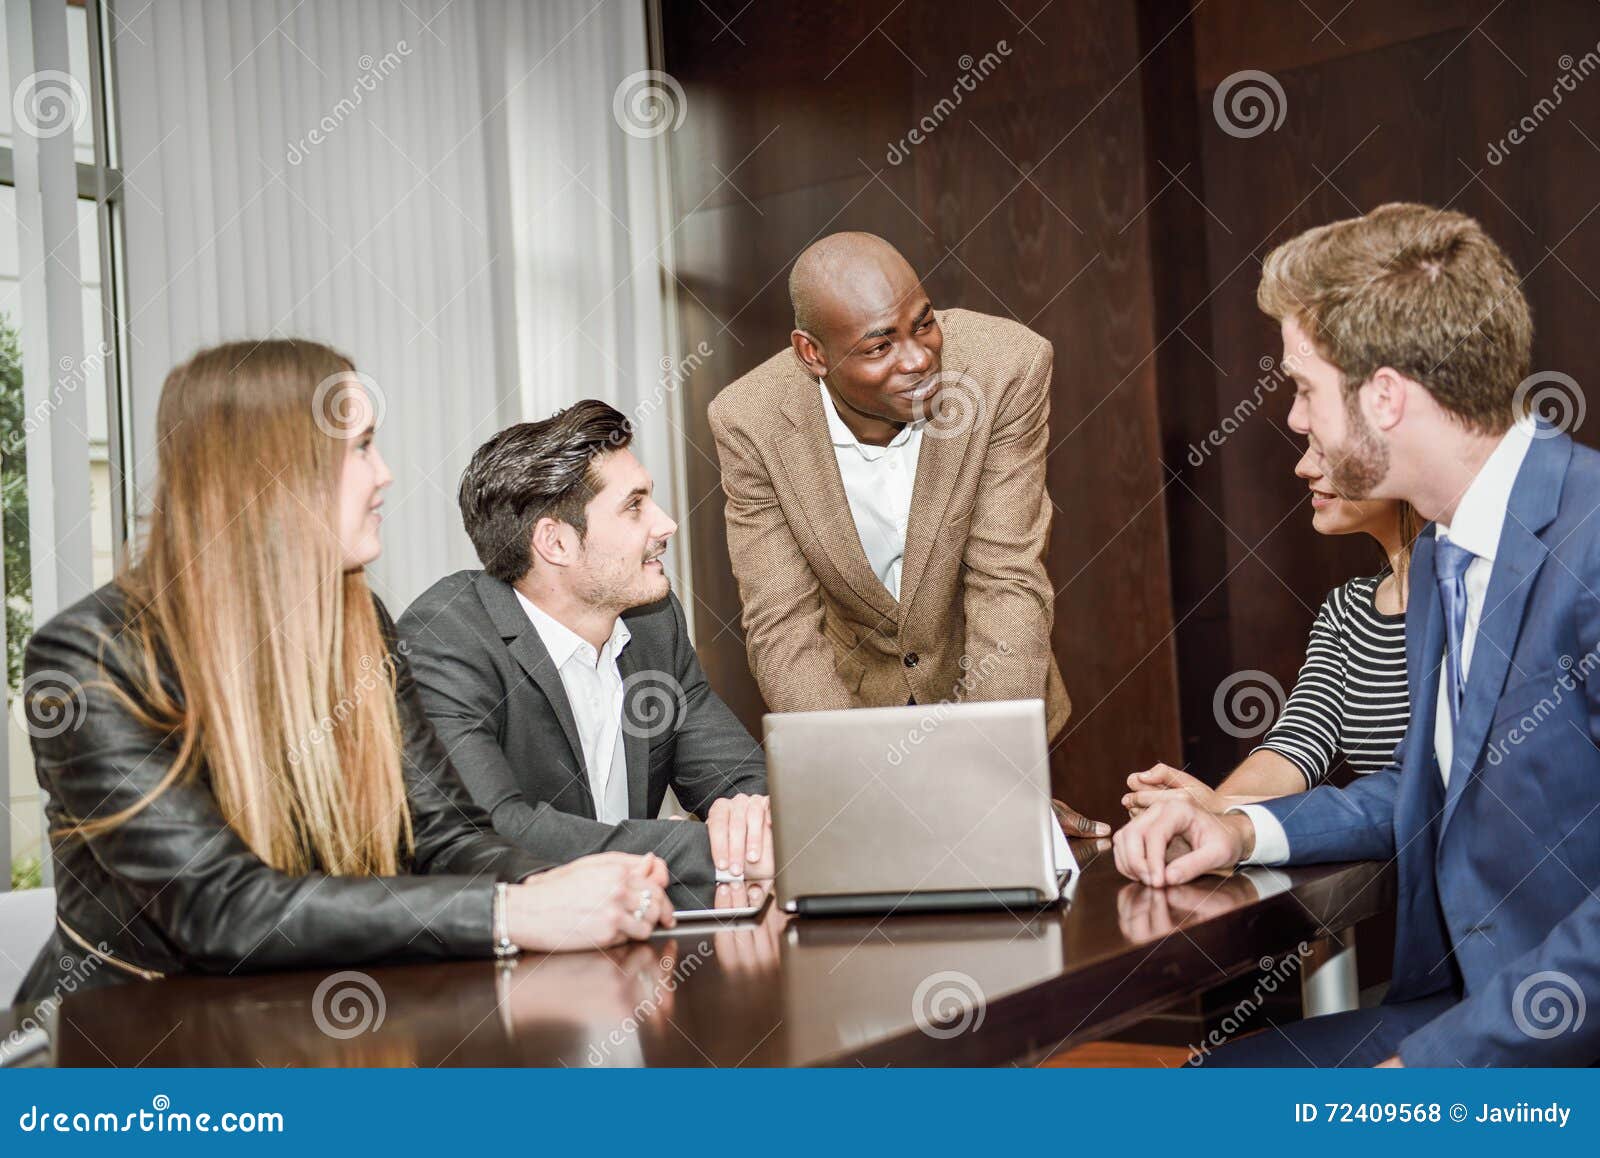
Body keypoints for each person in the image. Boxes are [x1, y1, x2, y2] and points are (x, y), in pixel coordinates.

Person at [13, 340, 673, 1007]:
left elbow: (443, 839)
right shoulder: (88, 659)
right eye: (360, 447)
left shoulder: (360, 621)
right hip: (133, 1050)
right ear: (273, 473)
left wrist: (562, 890)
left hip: (311, 1022)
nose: (385, 473)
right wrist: (512, 914)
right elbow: (222, 909)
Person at [1114, 203, 1600, 1067]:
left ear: (1385, 396)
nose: (1296, 421)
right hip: (1465, 1010)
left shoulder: (1591, 539)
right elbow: (1421, 791)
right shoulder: (1448, 555)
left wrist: (1426, 1073)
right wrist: (1240, 829)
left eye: (1303, 387)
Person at [709, 230, 1103, 834]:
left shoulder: (1005, 366)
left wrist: (989, 788)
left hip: (993, 710)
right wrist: (870, 795)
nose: (918, 358)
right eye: (878, 346)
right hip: (851, 723)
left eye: (923, 324)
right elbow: (782, 625)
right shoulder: (751, 421)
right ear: (812, 354)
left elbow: (1007, 581)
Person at [399, 402, 769, 885]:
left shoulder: (655, 622)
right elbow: (489, 829)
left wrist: (748, 821)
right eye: (634, 506)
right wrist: (698, 849)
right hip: (510, 949)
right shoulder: (446, 636)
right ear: (556, 543)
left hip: (638, 936)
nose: (666, 525)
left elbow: (743, 781)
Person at [1124, 444, 1420, 814]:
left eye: (1326, 446)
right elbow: (1297, 742)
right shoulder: (1348, 608)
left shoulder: (1474, 593)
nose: (1303, 467)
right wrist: (1211, 811)